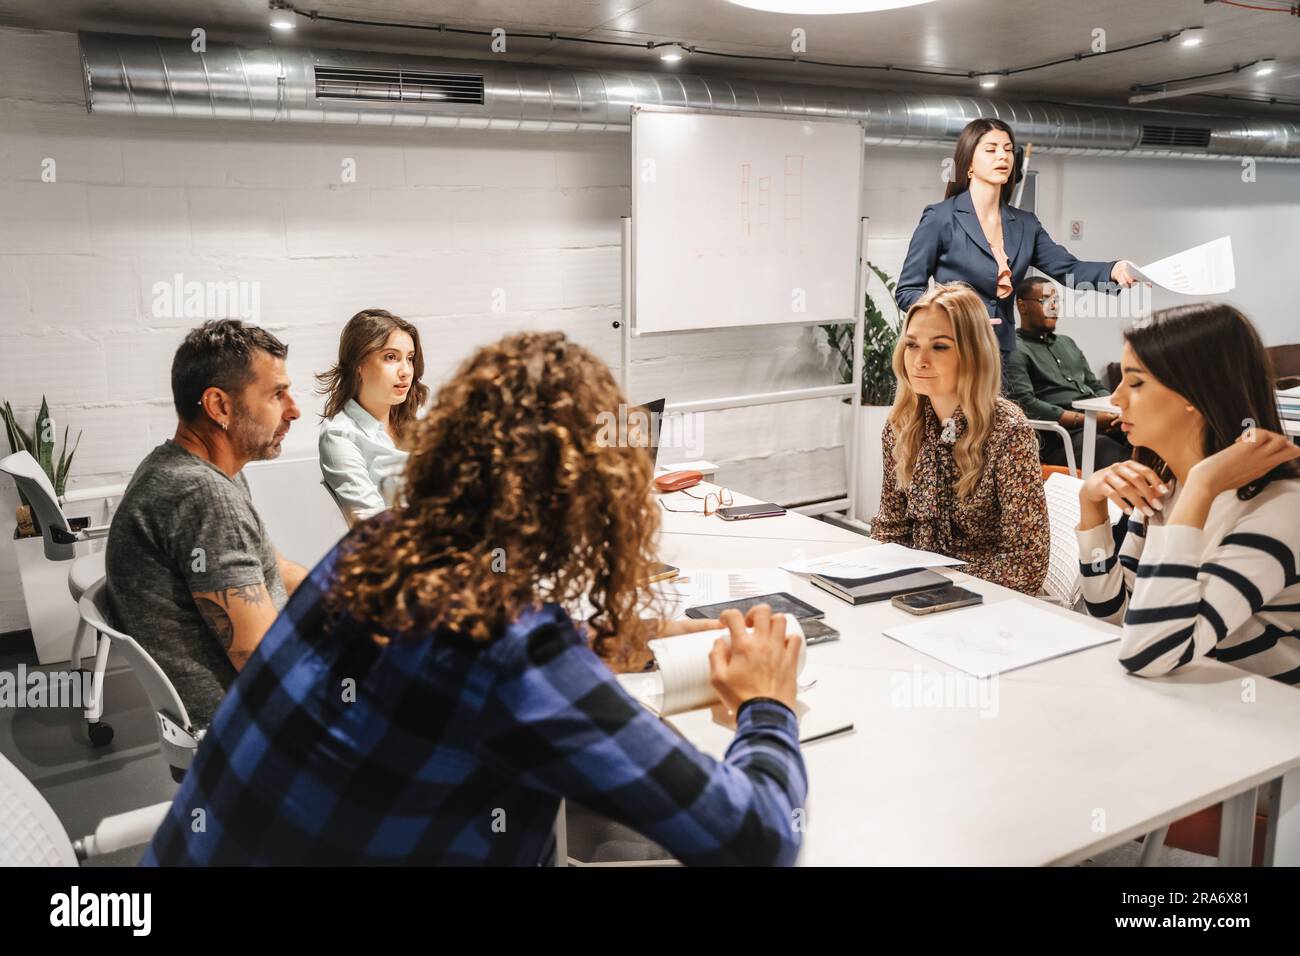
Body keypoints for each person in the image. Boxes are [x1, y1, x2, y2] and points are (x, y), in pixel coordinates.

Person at [143, 331, 808, 866]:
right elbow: (756, 839)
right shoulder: (511, 652)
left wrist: (647, 636)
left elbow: (469, 661)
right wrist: (767, 703)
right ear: (588, 500)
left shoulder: (375, 546)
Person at [1075, 303, 1300, 682]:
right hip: (1189, 706)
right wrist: (1091, 507)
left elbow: (1147, 652)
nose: (1115, 398)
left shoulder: (1280, 506)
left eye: (1136, 382)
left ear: (1195, 391)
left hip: (1267, 724)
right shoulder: (1164, 487)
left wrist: (1200, 489)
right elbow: (1114, 616)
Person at [105, 320, 308, 730]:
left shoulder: (197, 468)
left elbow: (277, 568)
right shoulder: (201, 497)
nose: (294, 409)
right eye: (276, 394)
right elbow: (263, 664)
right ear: (219, 407)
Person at [895, 117, 1139, 375]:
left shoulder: (1025, 224)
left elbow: (1070, 269)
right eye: (991, 149)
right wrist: (954, 316)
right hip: (952, 349)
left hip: (1001, 353)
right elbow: (908, 290)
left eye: (1008, 149)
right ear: (968, 162)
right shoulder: (941, 218)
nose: (1002, 156)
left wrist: (1115, 270)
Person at [871, 282, 1049, 595]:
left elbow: (1027, 564)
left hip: (987, 605)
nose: (919, 360)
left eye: (939, 347)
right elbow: (890, 528)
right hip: (915, 594)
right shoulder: (900, 427)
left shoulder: (1008, 432)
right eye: (912, 344)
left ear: (972, 354)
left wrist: (935, 578)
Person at [1005, 276, 1130, 469]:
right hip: (1060, 436)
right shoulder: (1014, 349)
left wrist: (1113, 409)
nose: (1054, 307)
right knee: (1116, 456)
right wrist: (1088, 420)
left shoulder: (1067, 343)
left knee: (1151, 436)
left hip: (1099, 422)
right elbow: (1025, 404)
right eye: (1046, 300)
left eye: (1057, 301)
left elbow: (1095, 385)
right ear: (1022, 306)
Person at [316, 309, 428, 522]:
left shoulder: (418, 417)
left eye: (410, 358)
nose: (405, 371)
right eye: (391, 357)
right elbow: (373, 525)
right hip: (402, 549)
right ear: (359, 363)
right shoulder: (339, 435)